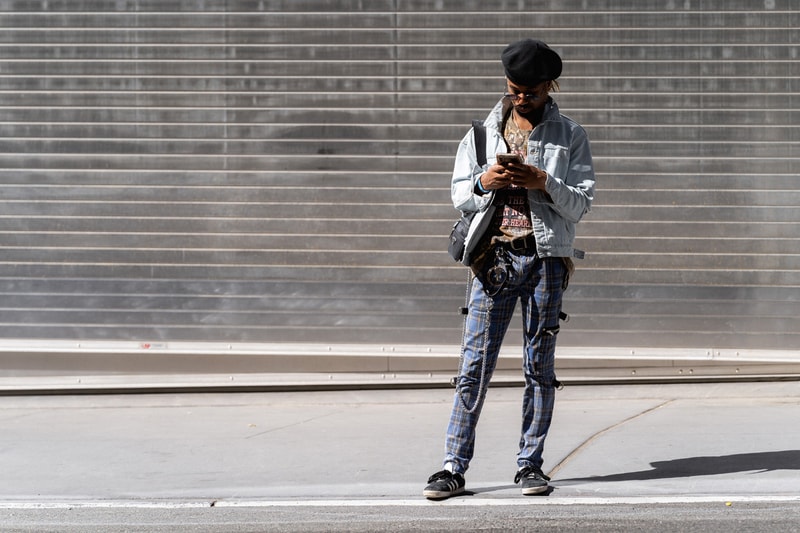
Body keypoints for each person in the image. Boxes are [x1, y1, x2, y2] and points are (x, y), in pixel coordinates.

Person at [424, 39, 596, 499]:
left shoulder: (570, 135)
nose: (522, 97)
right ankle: (452, 467)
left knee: (539, 365)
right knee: (474, 364)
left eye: (531, 91)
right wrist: (485, 181)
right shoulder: (481, 134)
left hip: (545, 260)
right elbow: (460, 195)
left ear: (549, 86)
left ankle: (530, 465)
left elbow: (581, 205)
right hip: (492, 260)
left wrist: (543, 181)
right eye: (515, 88)